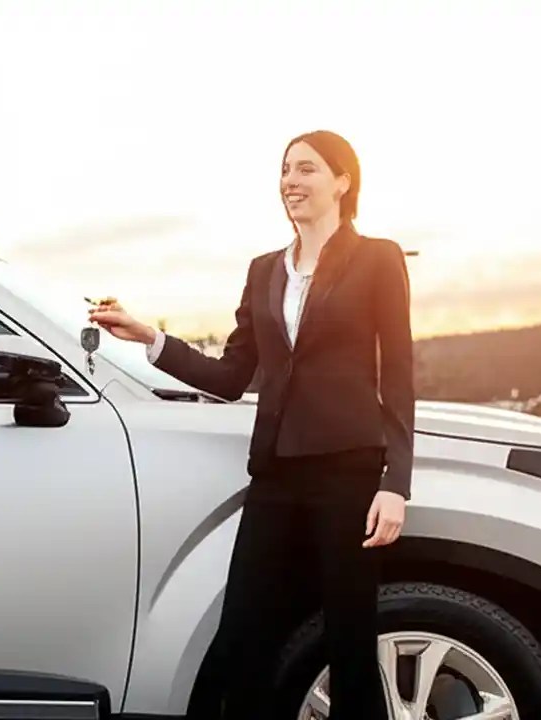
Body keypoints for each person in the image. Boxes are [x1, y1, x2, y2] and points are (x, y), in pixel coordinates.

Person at [89, 130, 413, 720]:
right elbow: (232, 375)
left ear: (343, 180)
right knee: (243, 635)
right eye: (286, 169)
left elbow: (398, 374)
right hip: (275, 477)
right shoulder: (265, 271)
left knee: (349, 641)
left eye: (308, 169)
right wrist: (148, 337)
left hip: (349, 473)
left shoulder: (378, 258)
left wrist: (396, 482)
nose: (291, 180)